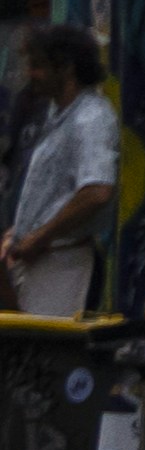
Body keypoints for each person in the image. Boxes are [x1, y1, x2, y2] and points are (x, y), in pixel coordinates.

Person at [3, 27, 125, 321]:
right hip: (38, 263)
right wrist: (18, 231)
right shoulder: (55, 116)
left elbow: (97, 191)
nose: (30, 73)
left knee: (50, 355)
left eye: (38, 66)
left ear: (67, 68)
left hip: (63, 264)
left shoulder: (91, 119)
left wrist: (40, 237)